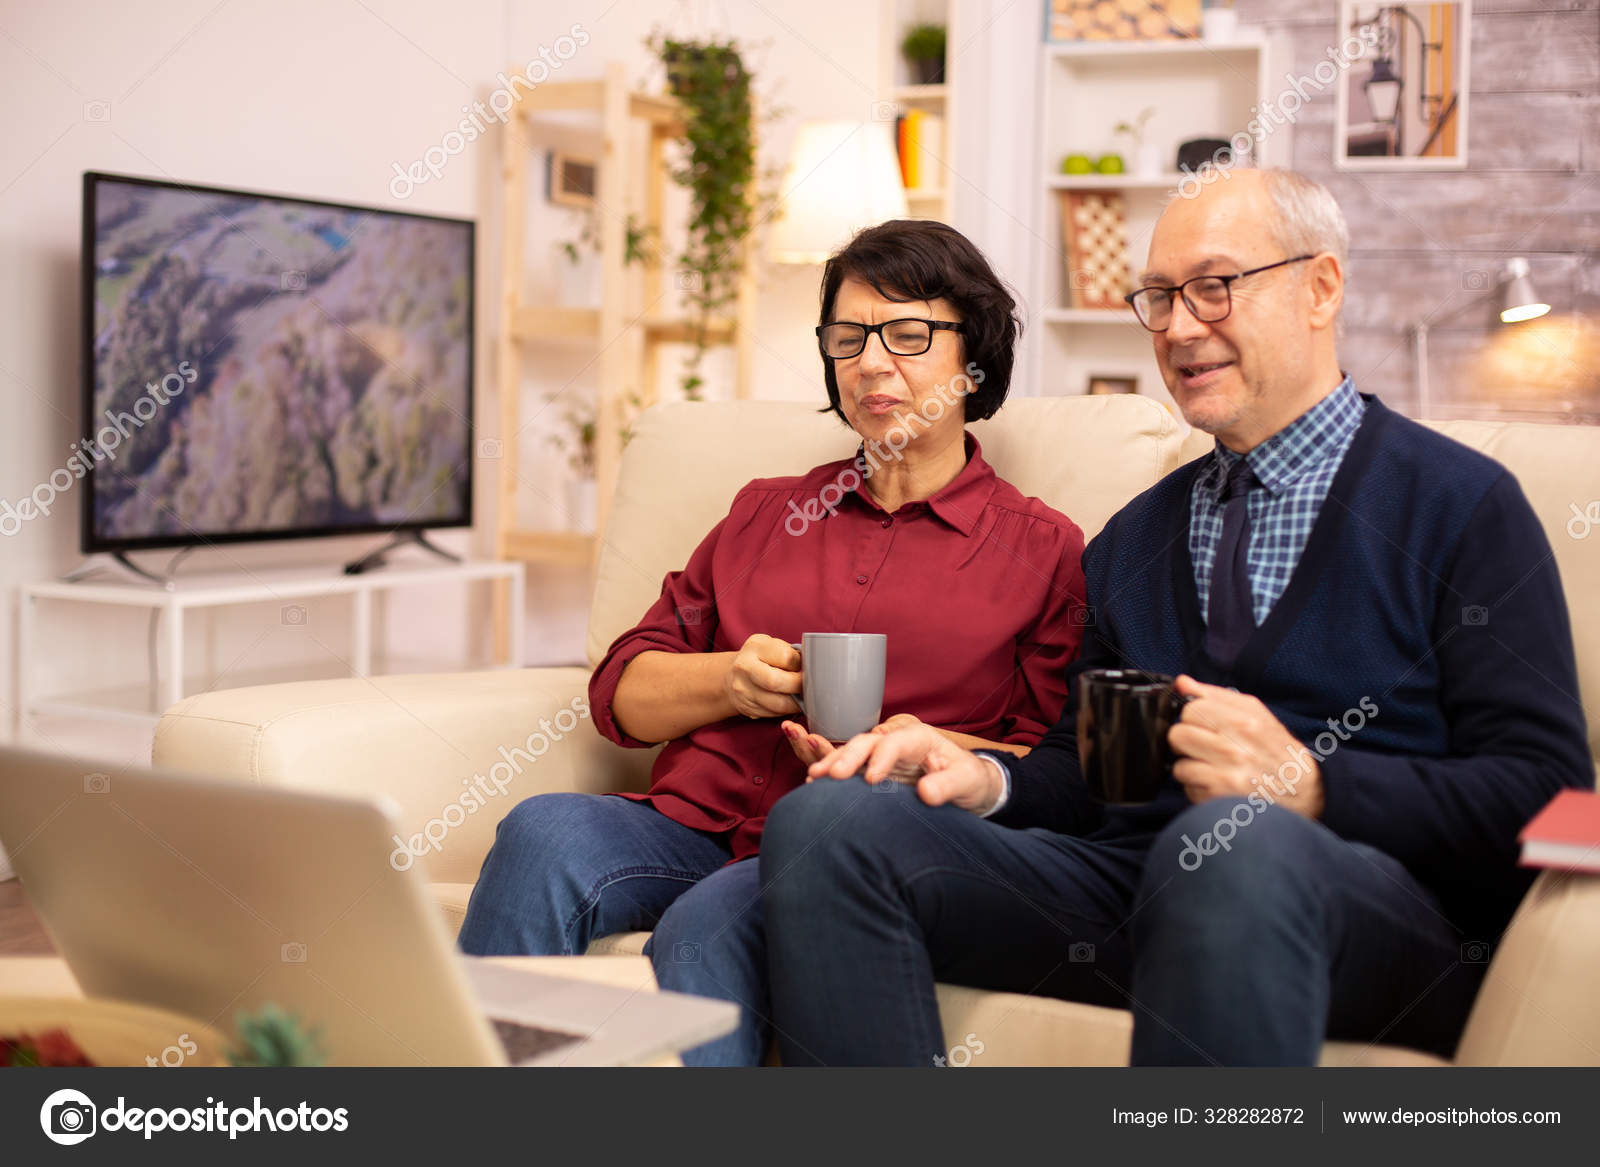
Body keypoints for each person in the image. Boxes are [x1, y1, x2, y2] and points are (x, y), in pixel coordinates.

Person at [760, 168, 1592, 1066]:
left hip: (1370, 913)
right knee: (827, 825)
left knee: (1226, 849)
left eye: (1213, 287)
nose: (1181, 327)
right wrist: (983, 775)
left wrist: (1312, 784)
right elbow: (1086, 780)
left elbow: (1550, 794)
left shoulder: (1458, 504)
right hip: (1132, 890)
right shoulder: (1134, 539)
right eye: (1158, 298)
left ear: (1320, 287)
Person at [457, 219, 1091, 1065]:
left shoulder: (1042, 548)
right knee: (543, 831)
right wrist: (729, 681)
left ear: (972, 358)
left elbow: (1046, 767)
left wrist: (920, 748)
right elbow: (619, 693)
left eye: (908, 335)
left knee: (703, 928)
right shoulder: (765, 511)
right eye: (848, 337)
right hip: (691, 821)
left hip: (844, 849)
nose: (871, 362)